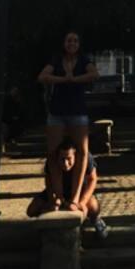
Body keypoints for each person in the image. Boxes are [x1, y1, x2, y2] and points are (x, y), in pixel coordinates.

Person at [37, 31, 98, 210]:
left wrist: (74, 79)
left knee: (82, 152)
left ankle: (75, 197)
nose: (72, 43)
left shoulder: (84, 60)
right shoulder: (56, 60)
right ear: (64, 43)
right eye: (69, 40)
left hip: (78, 111)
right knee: (52, 152)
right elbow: (42, 77)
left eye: (75, 40)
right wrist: (64, 79)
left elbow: (94, 75)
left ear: (79, 44)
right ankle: (59, 196)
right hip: (57, 112)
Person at [25, 137, 109, 238]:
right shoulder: (51, 161)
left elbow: (92, 179)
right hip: (59, 190)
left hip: (80, 190)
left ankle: (95, 219)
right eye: (62, 159)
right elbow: (49, 180)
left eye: (69, 159)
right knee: (31, 210)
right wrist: (52, 199)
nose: (65, 163)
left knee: (94, 207)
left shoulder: (86, 158)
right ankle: (46, 226)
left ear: (75, 156)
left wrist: (82, 202)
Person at [0, 85, 23, 151]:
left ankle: (8, 143)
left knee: (7, 132)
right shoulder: (7, 99)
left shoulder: (14, 99)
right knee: (4, 132)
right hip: (5, 119)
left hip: (9, 119)